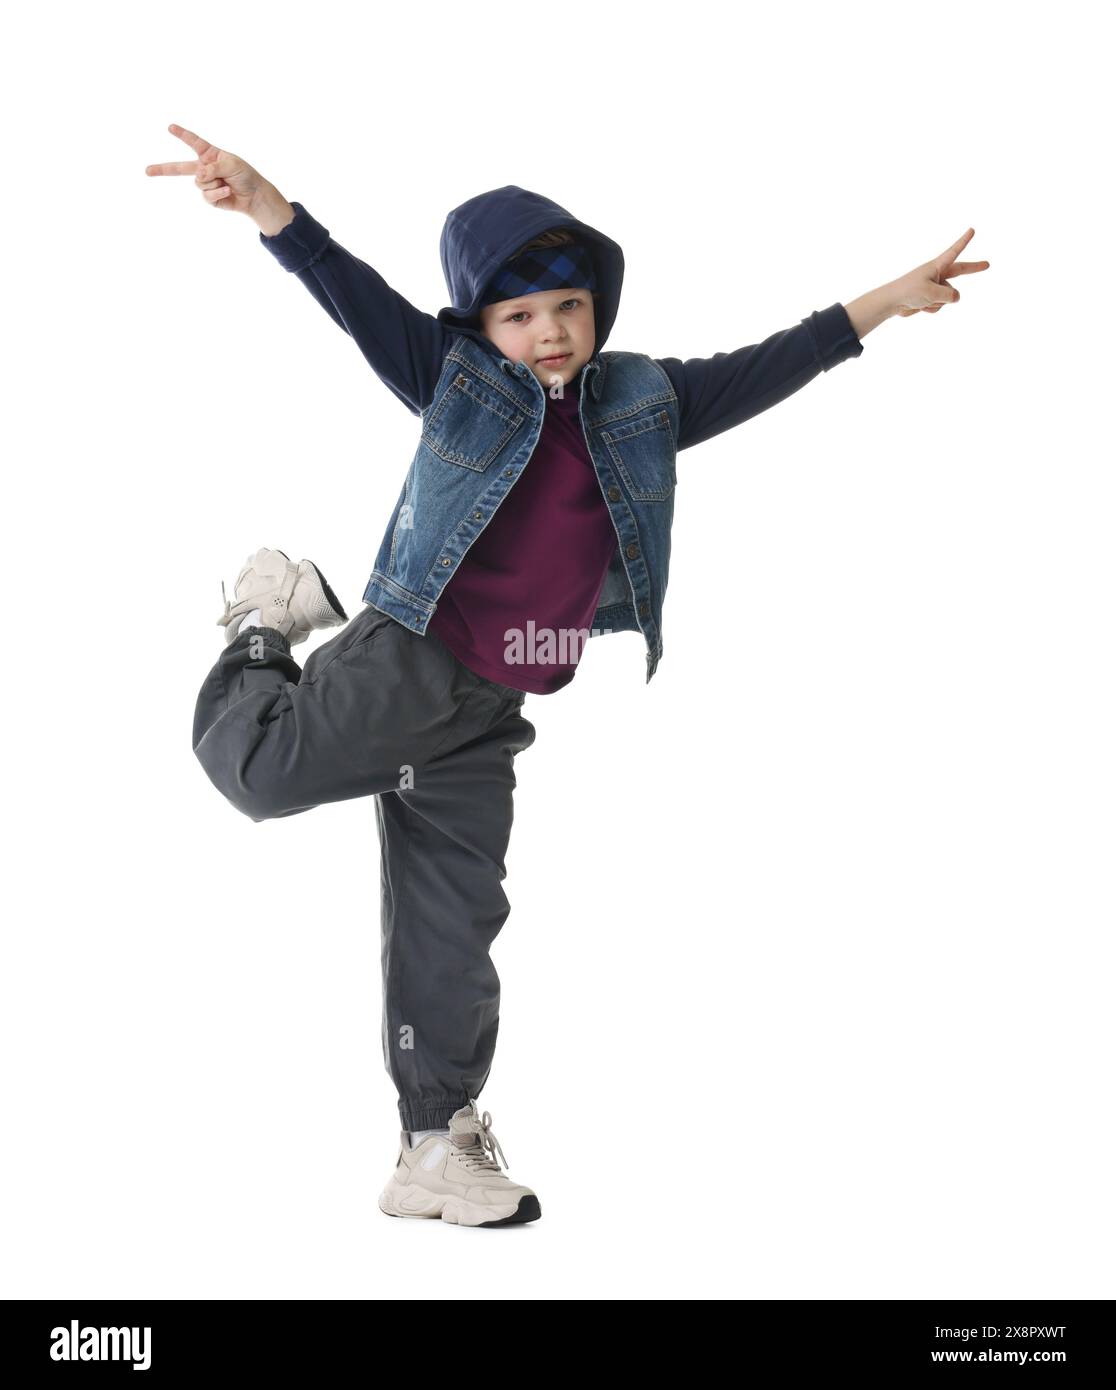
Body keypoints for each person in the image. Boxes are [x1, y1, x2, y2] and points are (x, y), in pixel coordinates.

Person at [147, 123, 989, 1228]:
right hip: (410, 656)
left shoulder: (645, 402)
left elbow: (774, 362)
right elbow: (351, 297)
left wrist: (883, 301)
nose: (548, 332)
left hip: (494, 704)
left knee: (455, 926)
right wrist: (270, 209)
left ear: (598, 311)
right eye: (519, 314)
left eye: (568, 308)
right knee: (260, 774)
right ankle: (270, 619)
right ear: (483, 328)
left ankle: (434, 1143)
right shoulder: (455, 384)